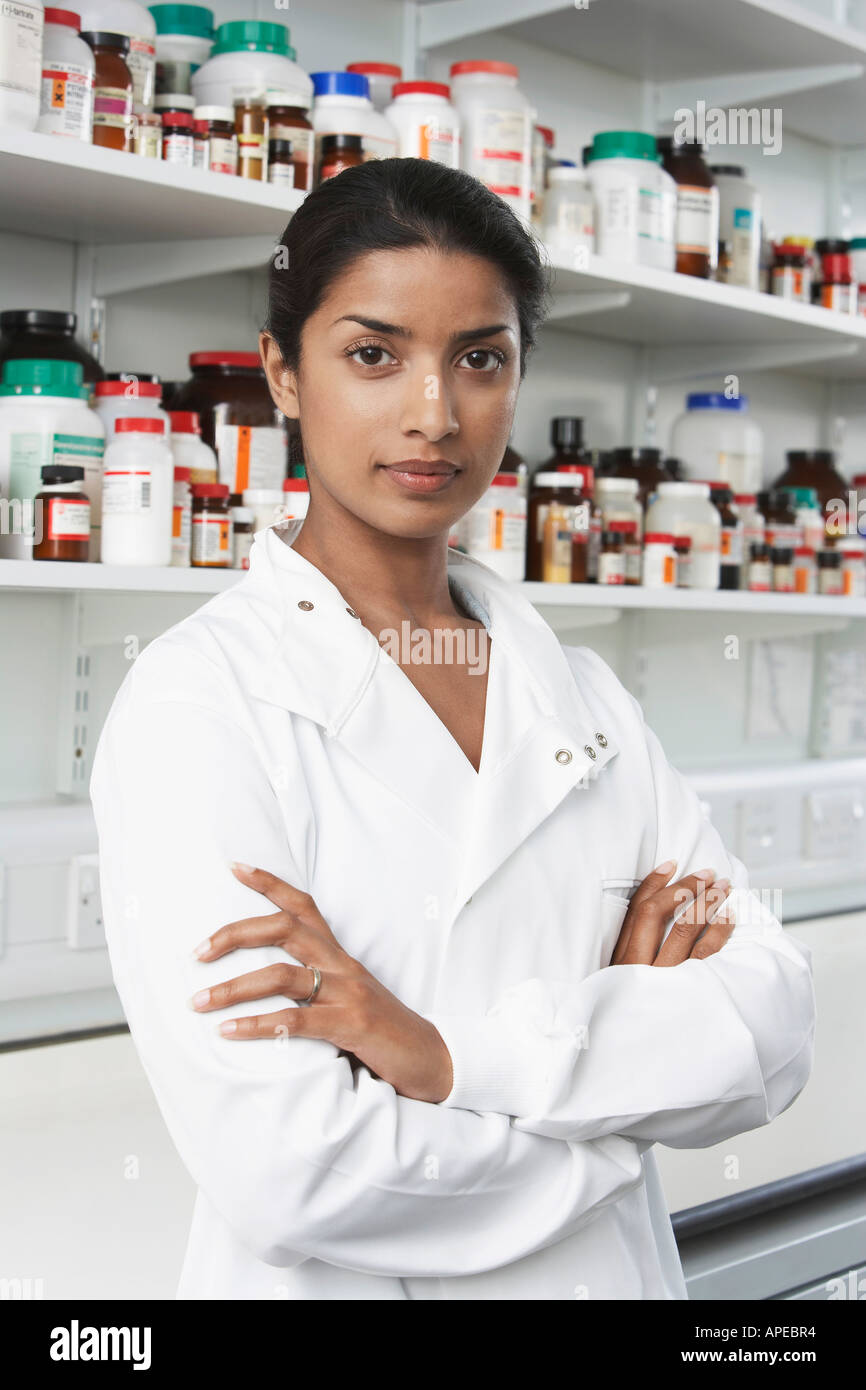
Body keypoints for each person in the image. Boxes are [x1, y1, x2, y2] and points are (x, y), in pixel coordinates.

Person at [89, 158, 816, 1301]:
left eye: (479, 358)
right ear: (282, 372)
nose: (433, 413)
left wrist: (442, 1057)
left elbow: (768, 1028)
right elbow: (296, 1175)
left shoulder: (581, 697)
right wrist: (617, 1107)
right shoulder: (198, 702)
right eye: (372, 354)